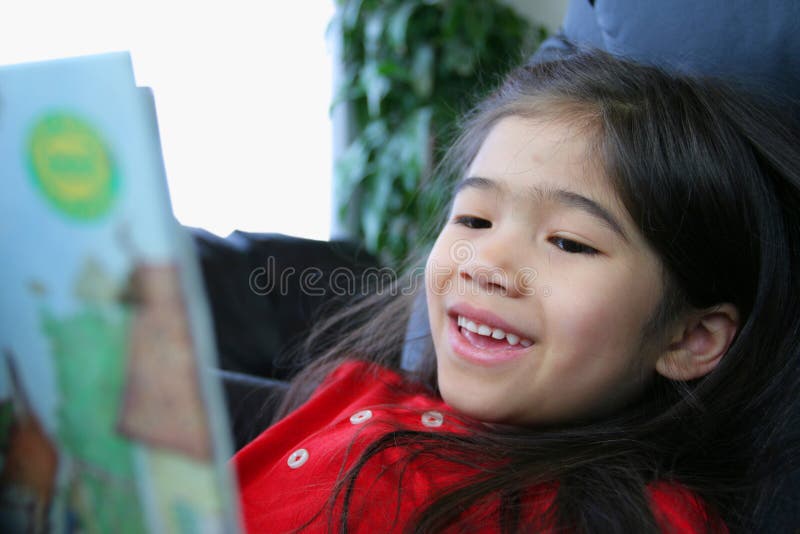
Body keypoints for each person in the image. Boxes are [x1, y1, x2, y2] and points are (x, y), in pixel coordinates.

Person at [233, 50, 800, 533]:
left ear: (690, 337)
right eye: (475, 220)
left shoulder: (635, 517)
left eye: (569, 242)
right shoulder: (354, 389)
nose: (486, 263)